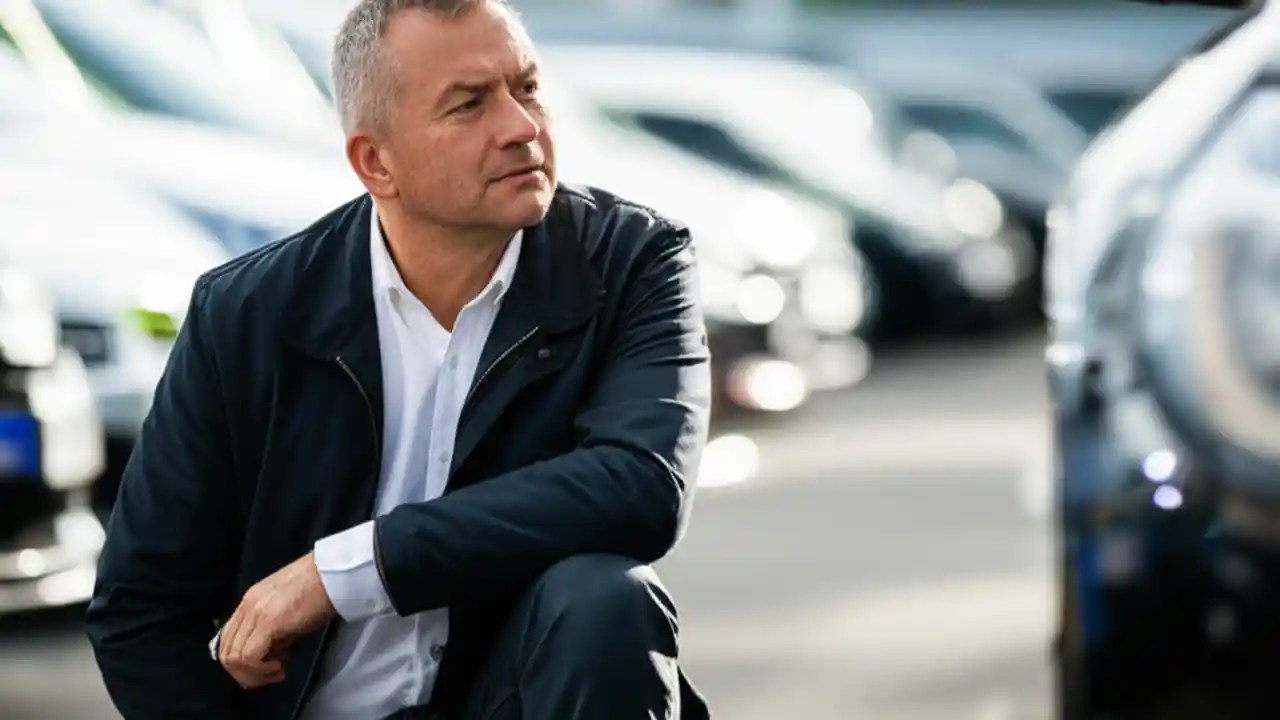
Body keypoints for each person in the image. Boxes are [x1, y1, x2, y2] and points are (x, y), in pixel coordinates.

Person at [84, 1, 712, 718]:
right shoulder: (248, 314)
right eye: (469, 104)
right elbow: (140, 608)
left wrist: (347, 569)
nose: (522, 127)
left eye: (528, 87)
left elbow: (641, 485)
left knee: (604, 601)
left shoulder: (630, 261)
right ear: (376, 162)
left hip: (511, 700)